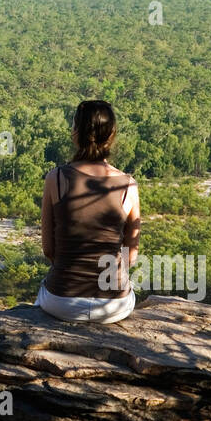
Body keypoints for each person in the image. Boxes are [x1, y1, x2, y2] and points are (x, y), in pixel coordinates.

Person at [36, 100, 141, 324]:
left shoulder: (56, 178)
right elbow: (130, 256)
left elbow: (48, 249)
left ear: (76, 133)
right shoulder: (128, 185)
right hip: (113, 305)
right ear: (112, 134)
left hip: (62, 301)